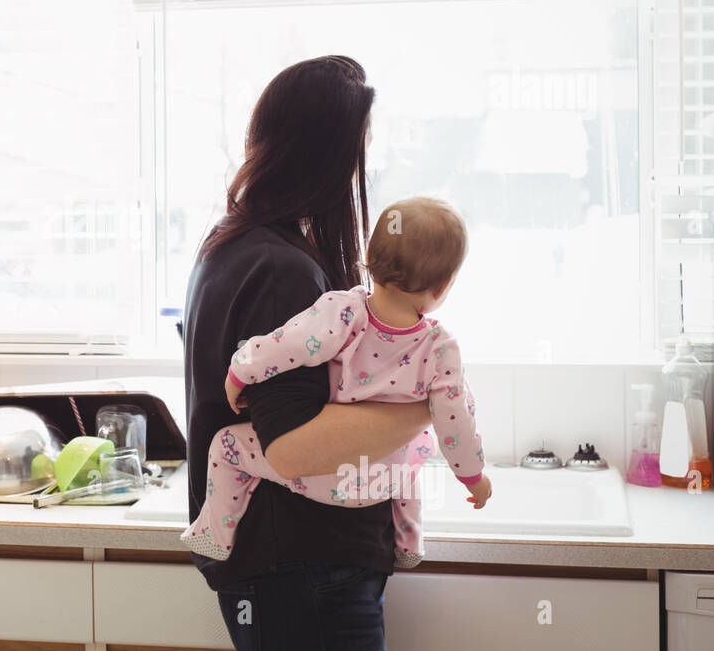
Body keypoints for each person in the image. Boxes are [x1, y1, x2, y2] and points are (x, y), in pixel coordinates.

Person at [181, 55, 431, 651]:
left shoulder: (240, 244)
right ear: (330, 155)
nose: (362, 167)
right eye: (360, 148)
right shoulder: (280, 269)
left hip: (293, 568)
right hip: (301, 571)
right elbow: (289, 448)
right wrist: (432, 405)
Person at [182, 196, 492, 568]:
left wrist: (240, 372)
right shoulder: (442, 348)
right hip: (385, 481)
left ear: (370, 259)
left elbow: (288, 345)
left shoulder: (344, 311)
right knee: (417, 447)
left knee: (225, 445)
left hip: (326, 479)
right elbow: (457, 421)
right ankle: (409, 543)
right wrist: (473, 477)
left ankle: (214, 535)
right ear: (441, 288)